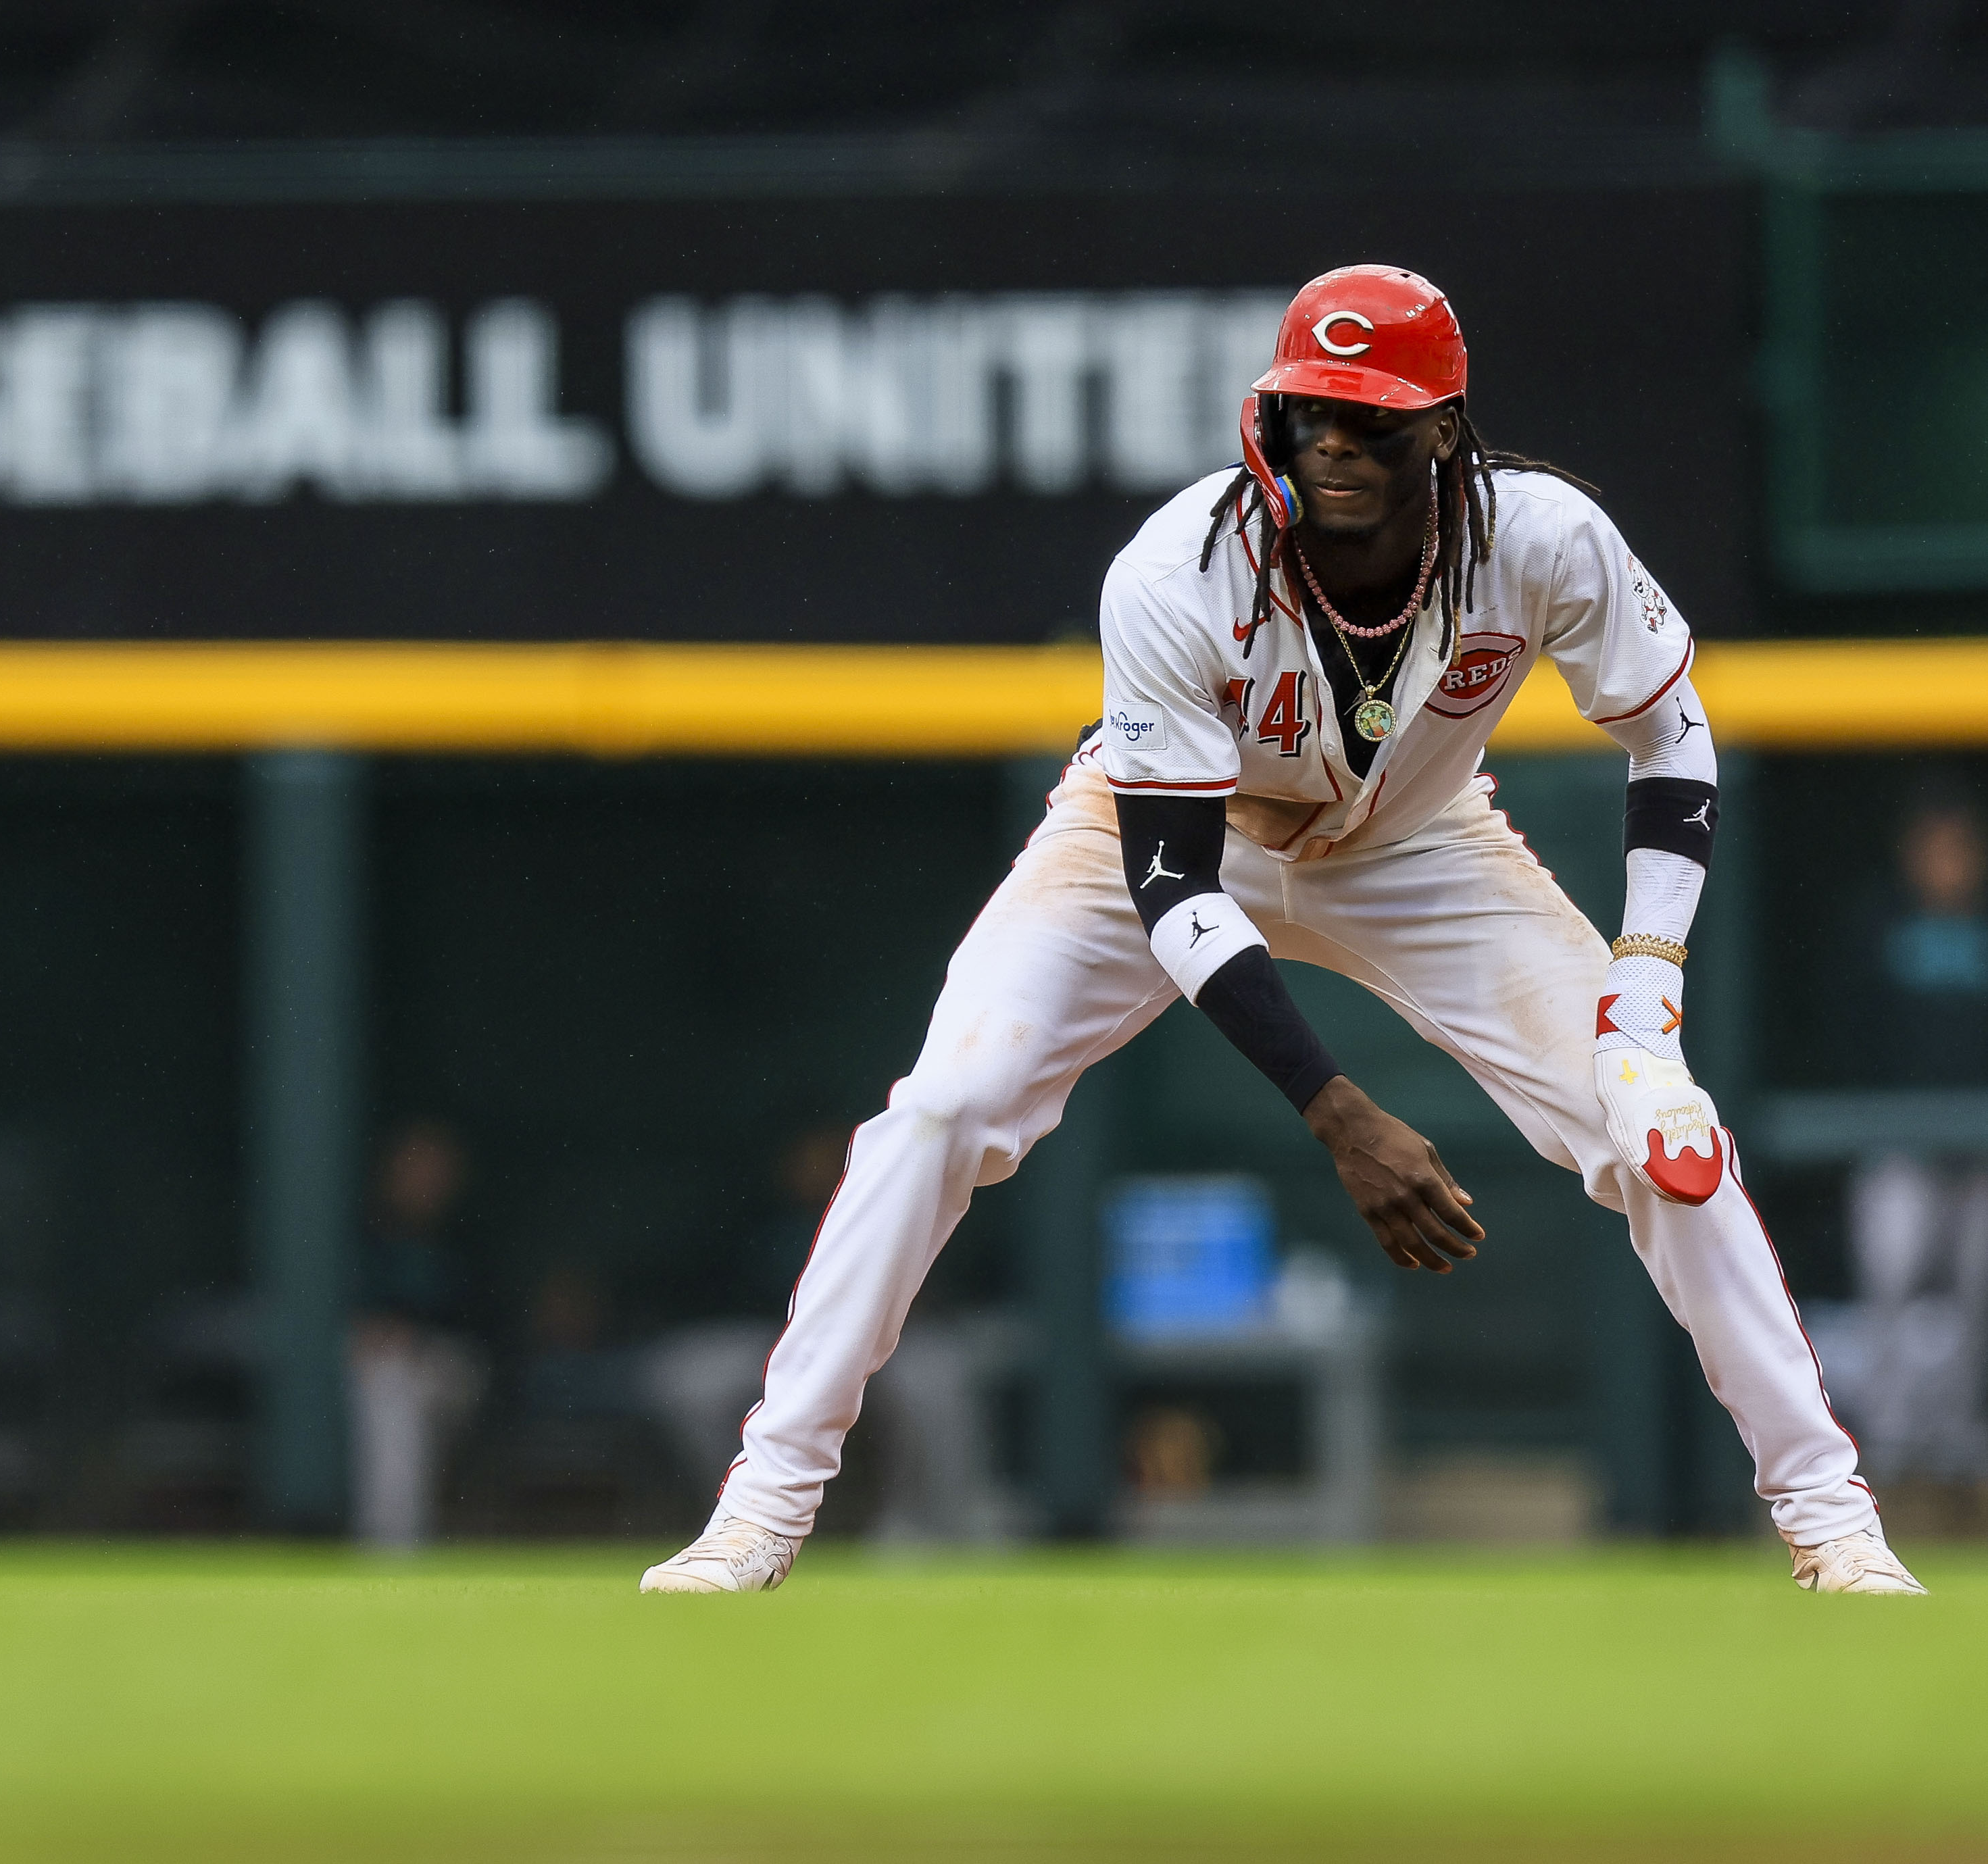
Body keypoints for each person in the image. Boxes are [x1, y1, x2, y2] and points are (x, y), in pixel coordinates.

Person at [641, 266, 1922, 1596]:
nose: (1334, 442)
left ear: (1442, 427)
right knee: (938, 1107)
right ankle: (762, 1503)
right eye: (1311, 408)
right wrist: (1333, 1107)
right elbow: (1170, 884)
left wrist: (1643, 985)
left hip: (1420, 846)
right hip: (1158, 841)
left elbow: (1669, 729)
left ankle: (1827, 1517)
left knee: (1661, 1133)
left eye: (1371, 417)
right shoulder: (1177, 566)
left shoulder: (1537, 536)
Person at [644, 1123, 1023, 1540]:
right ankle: (738, 1518)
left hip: (891, 1345)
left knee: (933, 1376)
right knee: (693, 1378)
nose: (821, 1171)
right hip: (777, 1343)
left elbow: (945, 1295)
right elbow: (720, 1294)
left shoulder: (907, 1203)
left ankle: (928, 1527)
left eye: (835, 1159)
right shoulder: (754, 1214)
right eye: (810, 1161)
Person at [1847, 792, 1988, 1482]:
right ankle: (1889, 1444)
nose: (1945, 864)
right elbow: (1848, 1035)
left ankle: (1958, 1441)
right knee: (1889, 1286)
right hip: (1898, 1144)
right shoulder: (1879, 926)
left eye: (1958, 848)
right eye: (1932, 848)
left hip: (1979, 1151)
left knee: (1974, 1293)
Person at [346, 1119, 484, 1549]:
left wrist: (415, 1337)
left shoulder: (474, 1232)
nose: (425, 1177)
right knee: (385, 1377)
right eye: (414, 1164)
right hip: (356, 1364)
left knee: (393, 1382)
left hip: (451, 1366)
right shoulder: (358, 1227)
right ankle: (391, 1543)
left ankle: (392, 1547)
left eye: (436, 1167)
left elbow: (489, 1325)